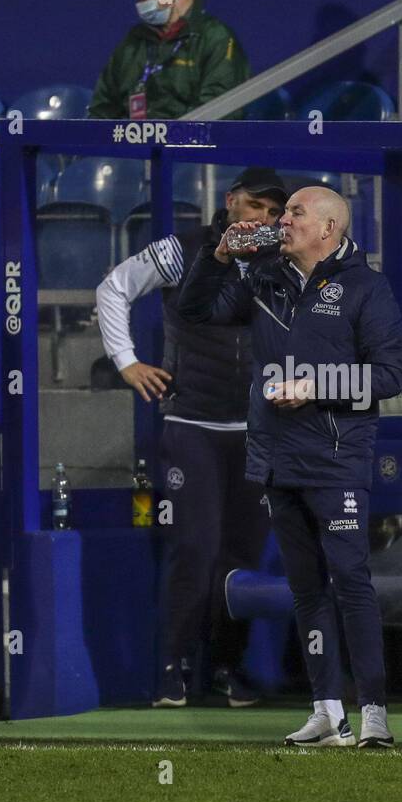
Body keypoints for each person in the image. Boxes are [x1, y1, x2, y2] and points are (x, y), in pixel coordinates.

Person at [178, 186, 402, 748]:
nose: (282, 221)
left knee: (352, 583)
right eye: (283, 213)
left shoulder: (366, 287)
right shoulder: (265, 279)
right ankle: (327, 711)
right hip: (278, 461)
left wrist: (316, 388)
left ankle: (374, 712)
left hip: (336, 460)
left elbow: (390, 376)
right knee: (306, 591)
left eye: (294, 213)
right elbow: (195, 311)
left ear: (328, 228)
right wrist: (218, 258)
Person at [97, 167, 288, 707]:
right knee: (196, 549)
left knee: (243, 555)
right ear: (230, 202)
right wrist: (128, 362)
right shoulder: (182, 250)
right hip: (193, 425)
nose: (264, 220)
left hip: (257, 429)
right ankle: (172, 667)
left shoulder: (282, 260)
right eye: (256, 207)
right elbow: (113, 288)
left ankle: (229, 666)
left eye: (274, 213)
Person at [87, 0, 250, 120]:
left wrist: (165, 138)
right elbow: (101, 111)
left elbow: (220, 112)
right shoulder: (134, 40)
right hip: (132, 144)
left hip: (187, 144)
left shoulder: (216, 38)